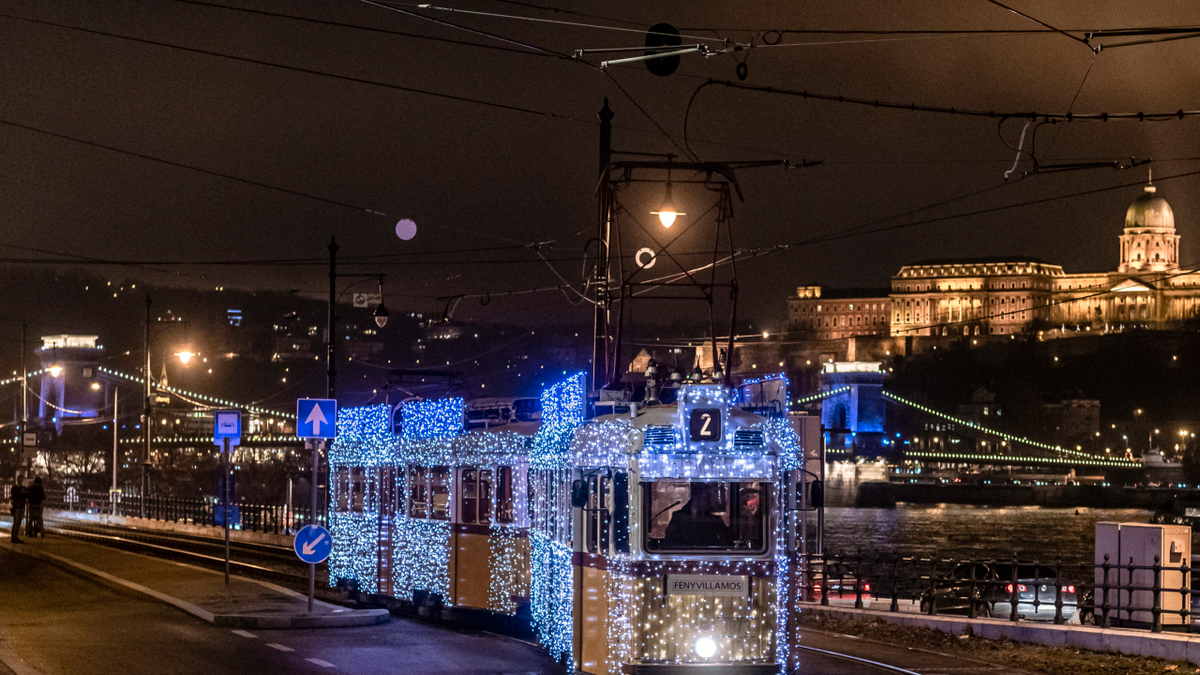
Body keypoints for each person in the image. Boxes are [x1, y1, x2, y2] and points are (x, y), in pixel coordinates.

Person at [664, 482, 733, 549]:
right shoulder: (678, 516)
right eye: (707, 498)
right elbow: (669, 541)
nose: (710, 502)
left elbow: (727, 539)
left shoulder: (714, 517)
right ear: (697, 498)